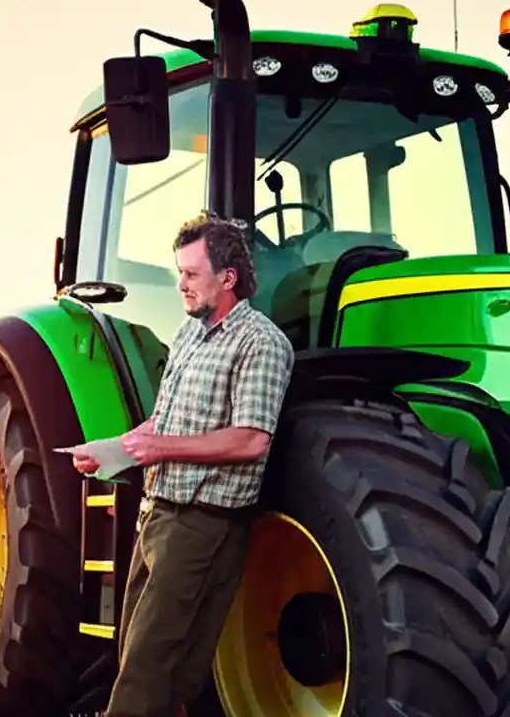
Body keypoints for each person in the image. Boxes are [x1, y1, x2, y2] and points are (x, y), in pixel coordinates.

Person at [72, 212, 295, 717]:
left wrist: (162, 449)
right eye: (180, 272)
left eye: (192, 274)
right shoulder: (191, 335)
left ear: (228, 278)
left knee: (148, 669)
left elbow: (251, 440)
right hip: (157, 514)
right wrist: (114, 448)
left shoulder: (261, 343)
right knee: (135, 650)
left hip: (202, 524)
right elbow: (165, 420)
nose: (181, 285)